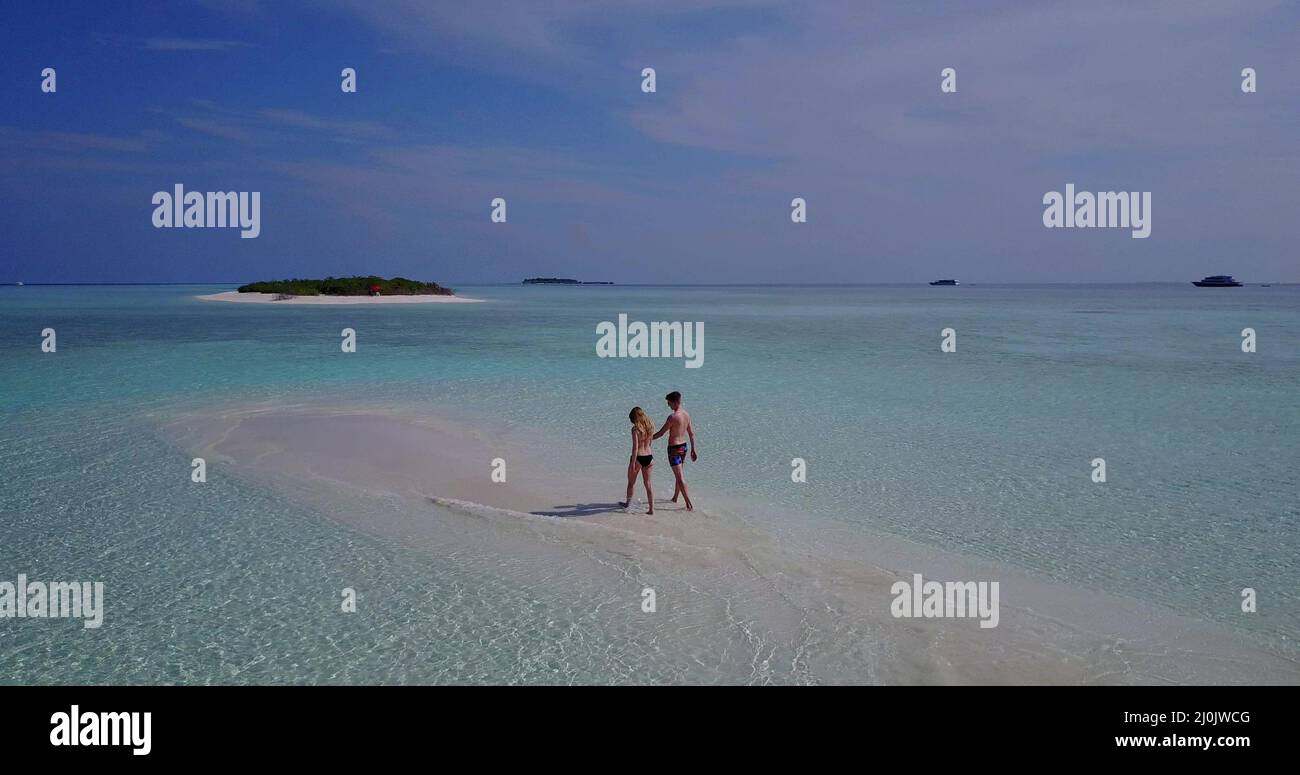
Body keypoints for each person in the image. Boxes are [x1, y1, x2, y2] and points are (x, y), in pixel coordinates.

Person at [652, 391, 696, 511]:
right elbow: (691, 434)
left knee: (680, 477)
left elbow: (661, 433)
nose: (668, 405)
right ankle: (675, 498)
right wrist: (693, 449)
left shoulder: (672, 417)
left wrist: (648, 439)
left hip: (674, 449)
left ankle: (689, 504)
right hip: (684, 447)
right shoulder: (686, 415)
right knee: (679, 474)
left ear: (675, 402)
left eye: (669, 402)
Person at [621, 406, 655, 514]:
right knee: (648, 483)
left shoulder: (635, 429)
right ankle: (651, 509)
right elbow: (650, 443)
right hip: (649, 456)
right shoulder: (650, 426)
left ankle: (628, 505)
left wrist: (633, 463)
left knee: (631, 483)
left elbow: (635, 447)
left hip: (639, 457)